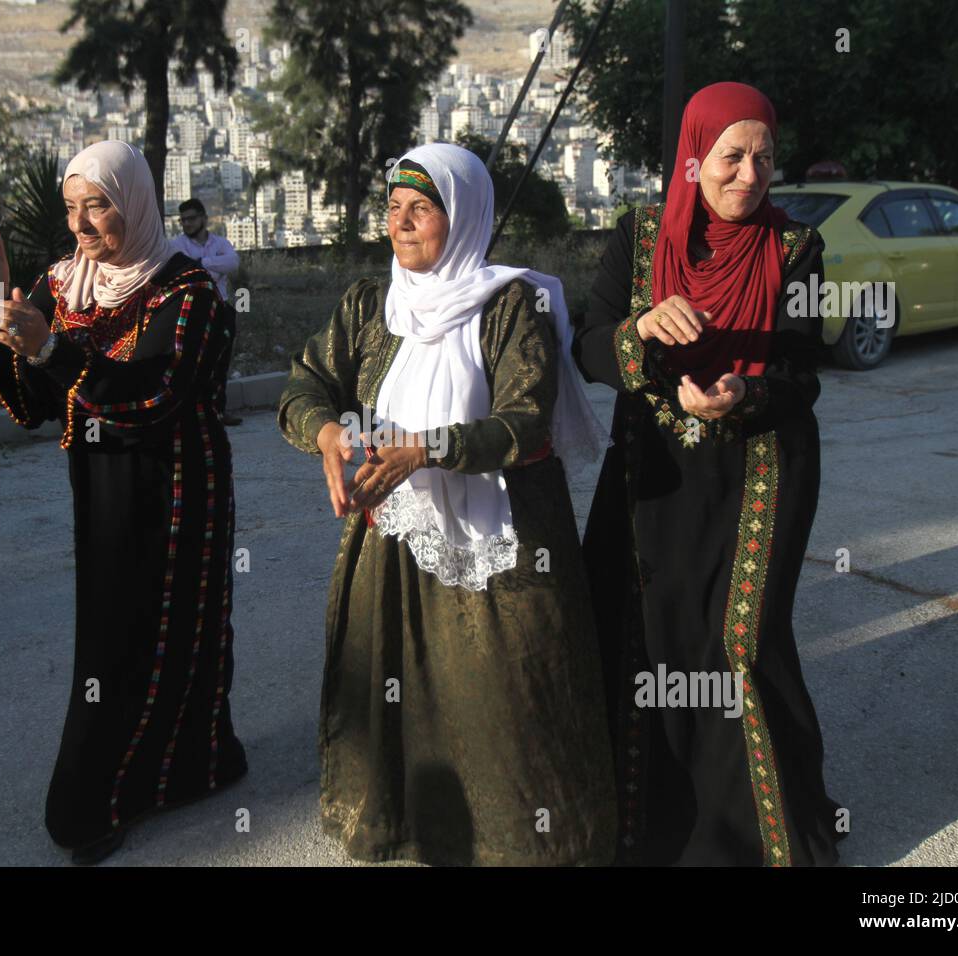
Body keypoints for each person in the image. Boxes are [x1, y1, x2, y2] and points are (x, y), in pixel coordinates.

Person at [277, 143, 617, 865]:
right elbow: (303, 385)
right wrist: (331, 432)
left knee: (508, 702)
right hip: (394, 536)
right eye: (394, 209)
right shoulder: (372, 304)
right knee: (402, 688)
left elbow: (526, 426)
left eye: (421, 209)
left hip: (502, 544)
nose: (401, 225)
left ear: (462, 218)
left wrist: (425, 451)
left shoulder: (511, 304)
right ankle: (413, 826)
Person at [0, 140, 247, 865]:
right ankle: (172, 772)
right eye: (72, 208)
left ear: (134, 203)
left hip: (179, 489)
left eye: (98, 207)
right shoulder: (66, 283)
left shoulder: (188, 291)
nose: (81, 225)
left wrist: (54, 350)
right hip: (101, 483)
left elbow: (155, 396)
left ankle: (97, 801)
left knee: (163, 632)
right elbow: (29, 400)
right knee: (114, 630)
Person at [572, 82, 844, 866]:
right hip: (655, 477)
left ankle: (756, 840)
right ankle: (654, 830)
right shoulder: (641, 234)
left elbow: (801, 371)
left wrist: (743, 393)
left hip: (762, 470)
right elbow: (587, 347)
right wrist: (640, 329)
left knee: (740, 645)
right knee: (653, 642)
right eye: (731, 156)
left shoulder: (796, 250)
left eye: (764, 157)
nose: (749, 175)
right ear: (694, 159)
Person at [176, 198, 242, 425]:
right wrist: (212, 266)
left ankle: (218, 411)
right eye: (183, 220)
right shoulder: (177, 245)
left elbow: (233, 262)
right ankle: (195, 413)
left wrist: (202, 262)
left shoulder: (220, 242)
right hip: (193, 309)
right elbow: (183, 269)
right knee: (194, 362)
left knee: (221, 361)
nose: (187, 224)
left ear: (204, 218)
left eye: (192, 218)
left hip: (221, 306)